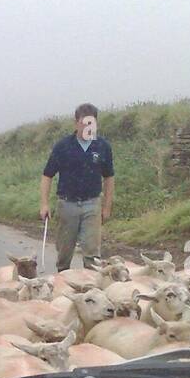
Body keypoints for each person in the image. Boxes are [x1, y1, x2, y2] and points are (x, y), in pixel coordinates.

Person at [39, 103, 115, 271]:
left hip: (92, 203)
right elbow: (47, 175)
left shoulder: (103, 147)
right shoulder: (63, 146)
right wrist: (44, 204)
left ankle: (91, 291)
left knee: (92, 252)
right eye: (84, 123)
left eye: (92, 123)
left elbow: (109, 177)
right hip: (67, 204)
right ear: (76, 123)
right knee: (65, 251)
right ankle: (63, 284)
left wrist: (107, 207)